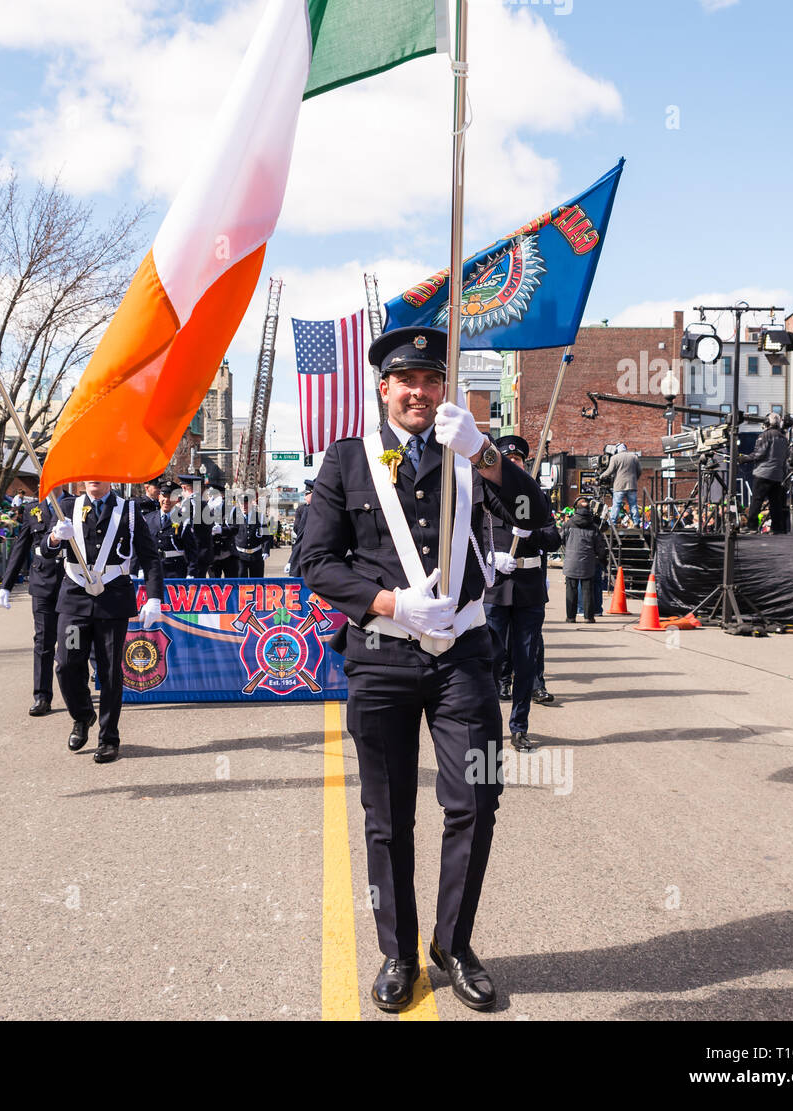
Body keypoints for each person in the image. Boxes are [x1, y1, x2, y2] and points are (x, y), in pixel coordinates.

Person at [301, 326, 551, 1014]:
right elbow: (315, 562)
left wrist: (488, 455)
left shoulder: (469, 452)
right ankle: (397, 951)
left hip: (463, 657)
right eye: (406, 380)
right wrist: (388, 601)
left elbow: (542, 520)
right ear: (383, 388)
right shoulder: (349, 460)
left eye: (431, 380)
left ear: (445, 388)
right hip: (382, 657)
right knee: (387, 816)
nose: (420, 392)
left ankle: (453, 943)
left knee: (477, 799)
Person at [45, 480, 164, 764]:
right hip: (75, 600)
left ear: (110, 477)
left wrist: (154, 597)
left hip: (113, 600)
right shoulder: (66, 507)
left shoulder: (129, 510)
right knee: (67, 662)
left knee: (110, 671)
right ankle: (83, 715)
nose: (93, 477)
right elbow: (45, 551)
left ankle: (109, 738)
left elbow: (150, 558)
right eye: (88, 471)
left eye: (99, 471)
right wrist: (53, 538)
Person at [482, 436, 562, 753]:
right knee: (490, 660)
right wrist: (489, 556)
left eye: (518, 461)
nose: (514, 464)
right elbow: (470, 536)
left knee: (525, 661)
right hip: (496, 586)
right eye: (508, 460)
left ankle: (519, 727)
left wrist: (535, 532)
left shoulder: (536, 497)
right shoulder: (484, 495)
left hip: (528, 587)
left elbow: (554, 539)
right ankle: (488, 729)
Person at [0, 496, 64, 717]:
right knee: (43, 641)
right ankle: (42, 696)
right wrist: (6, 584)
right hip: (43, 582)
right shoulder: (32, 509)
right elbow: (21, 546)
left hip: (70, 583)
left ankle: (77, 689)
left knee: (73, 643)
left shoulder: (74, 504)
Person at [740, 412, 789, 534]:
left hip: (763, 474)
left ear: (767, 423)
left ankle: (751, 526)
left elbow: (759, 454)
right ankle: (777, 528)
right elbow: (786, 457)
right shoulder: (784, 438)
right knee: (775, 503)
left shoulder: (765, 435)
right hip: (777, 476)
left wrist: (743, 459)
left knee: (757, 500)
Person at [562, 497, 608, 622]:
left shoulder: (568, 524)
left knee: (571, 590)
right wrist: (604, 561)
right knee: (588, 590)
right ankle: (589, 617)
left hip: (571, 561)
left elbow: (560, 539)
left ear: (575, 508)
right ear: (589, 509)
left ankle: (571, 617)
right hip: (588, 563)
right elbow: (600, 547)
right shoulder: (593, 527)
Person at [144, 485, 195, 579]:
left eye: (170, 497)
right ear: (159, 497)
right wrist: (139, 569)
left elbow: (191, 550)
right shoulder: (148, 519)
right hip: (153, 570)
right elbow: (142, 546)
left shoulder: (183, 519)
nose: (167, 500)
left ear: (177, 500)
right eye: (164, 496)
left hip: (176, 570)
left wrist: (191, 573)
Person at [227, 492, 269, 577]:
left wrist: (266, 551)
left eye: (246, 503)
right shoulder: (234, 518)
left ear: (251, 504)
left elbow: (266, 536)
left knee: (257, 583)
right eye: (242, 503)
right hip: (240, 555)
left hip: (256, 555)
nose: (244, 506)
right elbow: (230, 534)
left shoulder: (260, 517)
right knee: (241, 582)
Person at [599, 444, 641, 526]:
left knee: (616, 505)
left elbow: (610, 471)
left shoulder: (615, 458)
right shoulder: (634, 457)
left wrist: (601, 476)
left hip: (619, 486)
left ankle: (612, 522)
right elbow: (639, 471)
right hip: (632, 485)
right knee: (633, 505)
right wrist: (635, 479)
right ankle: (636, 522)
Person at [285, 479, 314, 577]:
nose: (305, 497)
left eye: (307, 494)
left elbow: (299, 533)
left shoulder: (307, 510)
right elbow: (299, 531)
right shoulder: (303, 509)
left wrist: (292, 560)